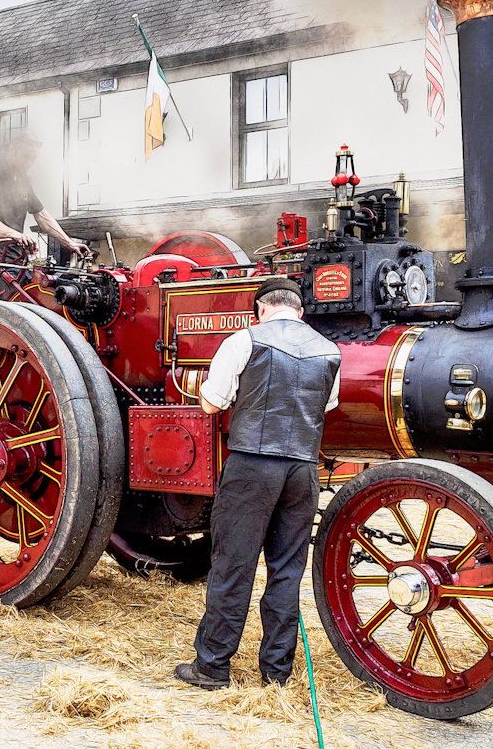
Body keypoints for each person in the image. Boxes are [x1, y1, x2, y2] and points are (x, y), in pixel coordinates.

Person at [177, 276, 341, 691]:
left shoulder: (244, 340)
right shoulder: (330, 351)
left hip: (252, 465)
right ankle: (276, 673)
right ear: (300, 312)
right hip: (304, 470)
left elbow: (213, 403)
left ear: (261, 309)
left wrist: (201, 391)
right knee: (287, 570)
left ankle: (212, 667)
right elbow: (328, 405)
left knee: (234, 564)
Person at [0, 131, 89, 259]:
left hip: (17, 258)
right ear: (12, 149)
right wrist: (15, 234)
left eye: (33, 159)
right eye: (25, 156)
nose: (29, 163)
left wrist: (69, 243)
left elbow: (42, 215)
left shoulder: (24, 181)